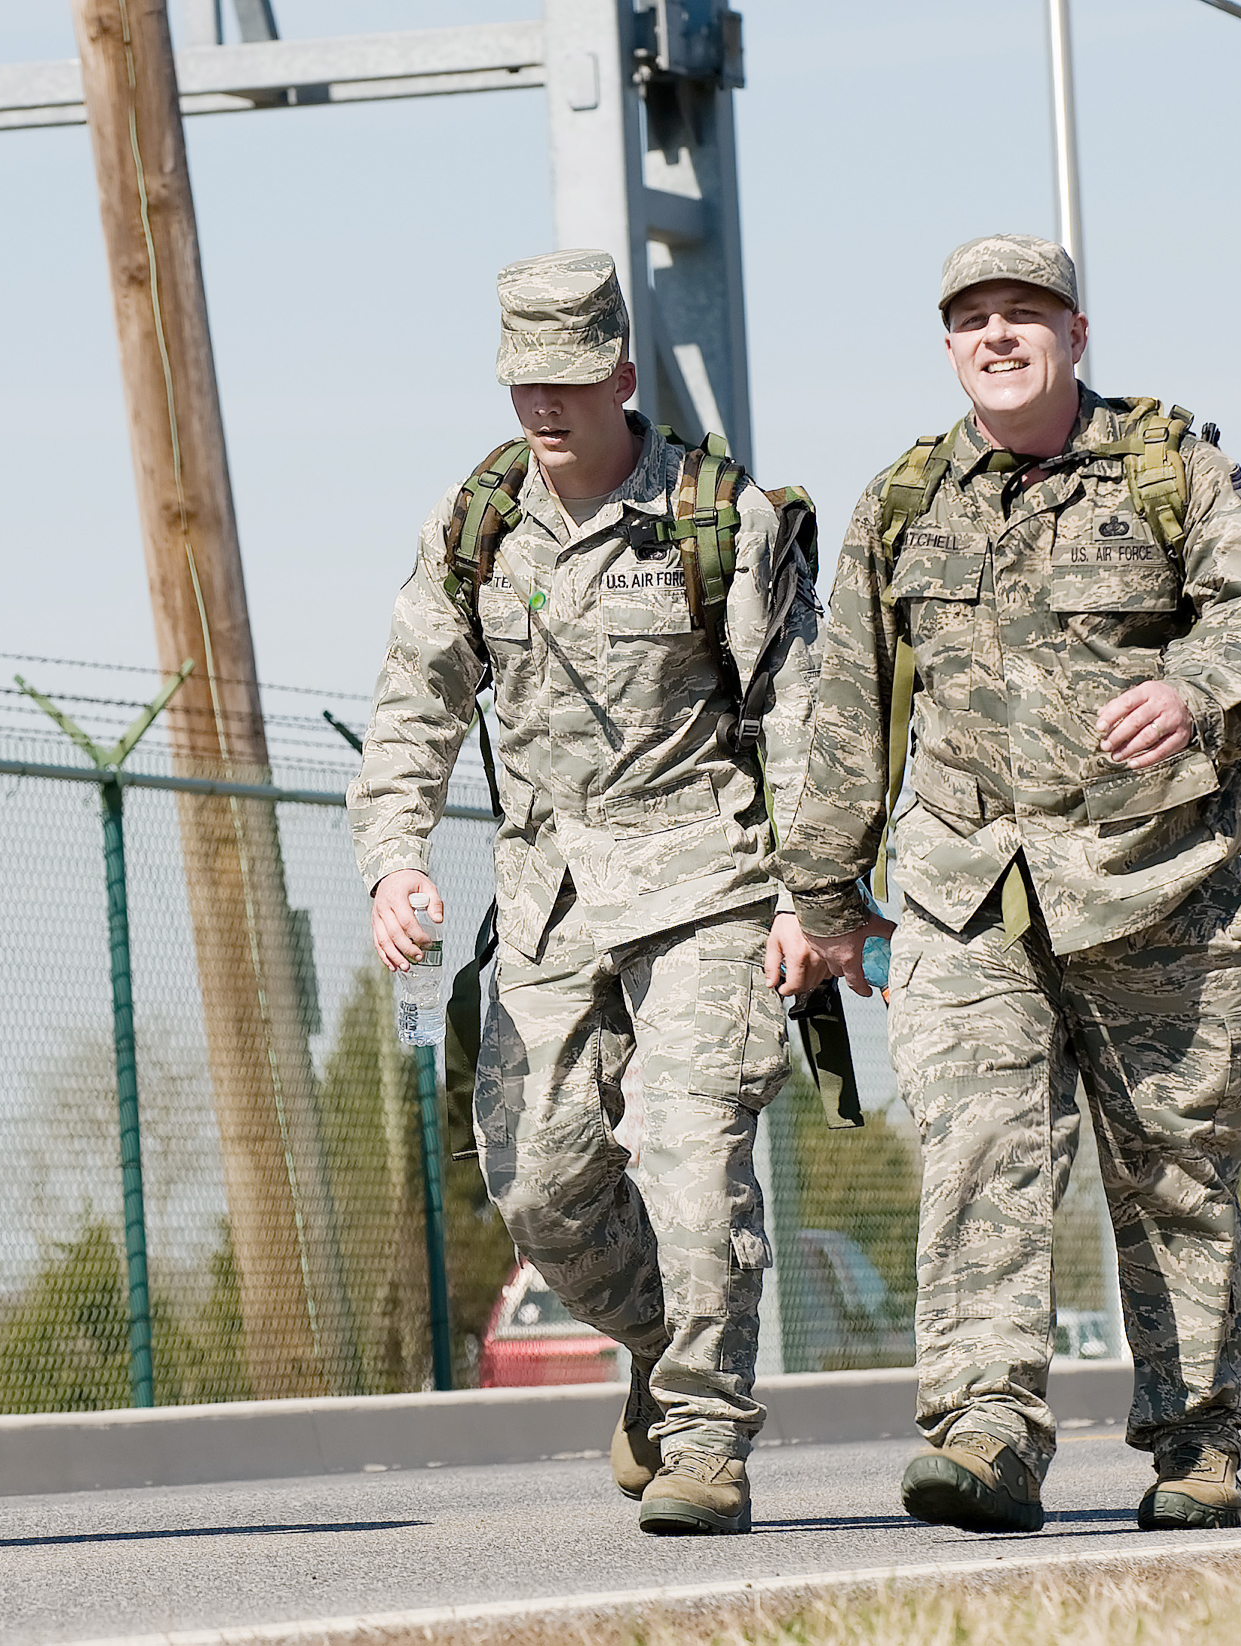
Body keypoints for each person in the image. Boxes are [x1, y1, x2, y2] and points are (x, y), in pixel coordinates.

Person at [773, 233, 1241, 1534]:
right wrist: (822, 896)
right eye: (973, 319)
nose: (998, 336)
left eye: (1026, 313)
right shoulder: (904, 502)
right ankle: (987, 1430)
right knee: (974, 1156)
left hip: (1158, 886)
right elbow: (846, 711)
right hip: (968, 894)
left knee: (1172, 1173)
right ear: (948, 343)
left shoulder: (1176, 470)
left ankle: (1192, 1439)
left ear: (1079, 332)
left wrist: (1189, 693)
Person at [348, 249, 824, 1535]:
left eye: (566, 380)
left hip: (707, 880)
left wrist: (809, 896)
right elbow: (412, 704)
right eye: (521, 383)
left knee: (690, 1156)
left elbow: (800, 722)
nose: (542, 407)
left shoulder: (718, 518)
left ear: (621, 372)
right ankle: (663, 1340)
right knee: (539, 1181)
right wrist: (396, 853)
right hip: (551, 897)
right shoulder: (480, 522)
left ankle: (708, 1436)